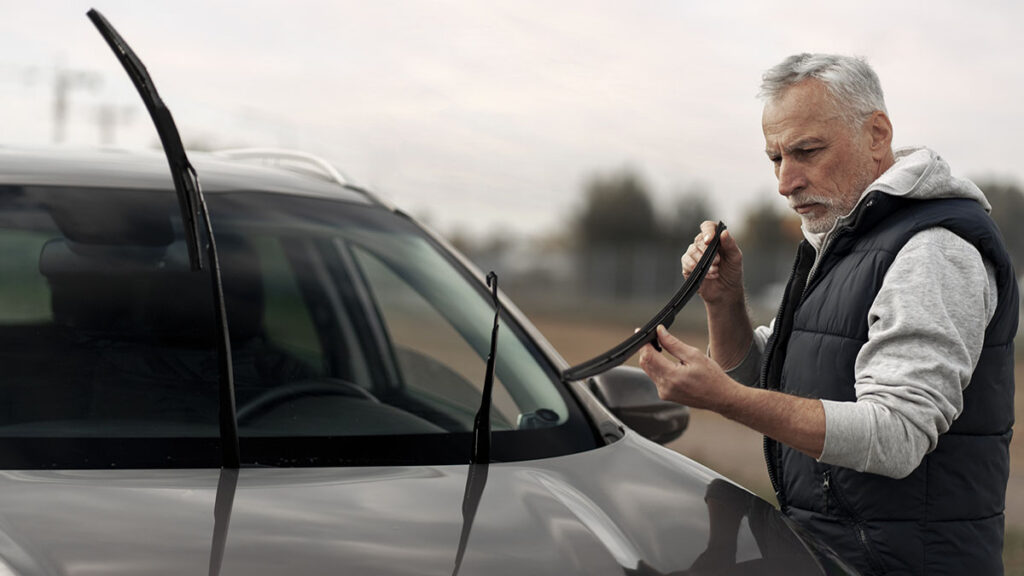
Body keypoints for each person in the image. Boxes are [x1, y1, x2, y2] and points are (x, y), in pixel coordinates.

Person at [638, 53, 1018, 575]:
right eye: (775, 158)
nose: (785, 181)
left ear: (876, 135)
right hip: (834, 556)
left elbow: (897, 434)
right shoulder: (845, 240)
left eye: (806, 151)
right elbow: (765, 377)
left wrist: (726, 399)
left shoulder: (932, 249)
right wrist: (724, 301)